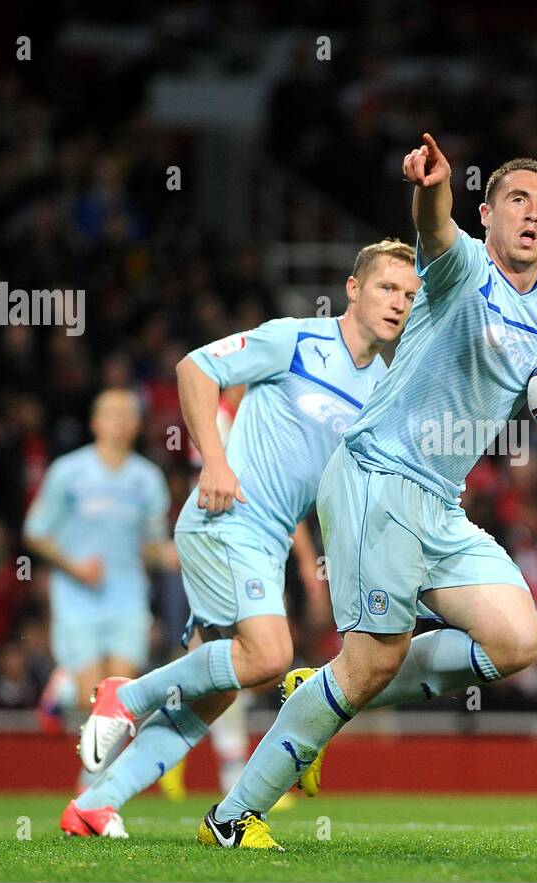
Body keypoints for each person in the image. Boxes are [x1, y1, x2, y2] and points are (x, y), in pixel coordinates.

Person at [196, 134, 537, 849]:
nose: (532, 215)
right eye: (517, 201)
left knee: (516, 638)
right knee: (373, 660)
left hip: (439, 497)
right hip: (376, 473)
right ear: (489, 213)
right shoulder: (461, 266)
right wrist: (430, 188)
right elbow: (434, 225)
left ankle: (319, 688)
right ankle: (232, 817)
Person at [62, 240, 420, 838]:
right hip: (224, 519)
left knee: (215, 694)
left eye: (410, 296)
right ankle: (125, 696)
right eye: (387, 288)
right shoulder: (295, 339)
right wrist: (215, 462)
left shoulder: (383, 389)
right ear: (354, 289)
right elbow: (196, 368)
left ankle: (95, 804)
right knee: (270, 656)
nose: (399, 303)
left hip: (268, 540)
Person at [24, 389, 174, 774]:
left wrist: (173, 555)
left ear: (137, 424)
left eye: (129, 414)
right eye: (113, 413)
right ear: (95, 422)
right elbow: (35, 532)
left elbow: (153, 544)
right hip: (77, 597)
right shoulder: (68, 472)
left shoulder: (147, 478)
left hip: (127, 598)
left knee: (119, 700)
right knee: (92, 699)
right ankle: (69, 689)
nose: (121, 421)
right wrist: (74, 567)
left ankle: (90, 794)